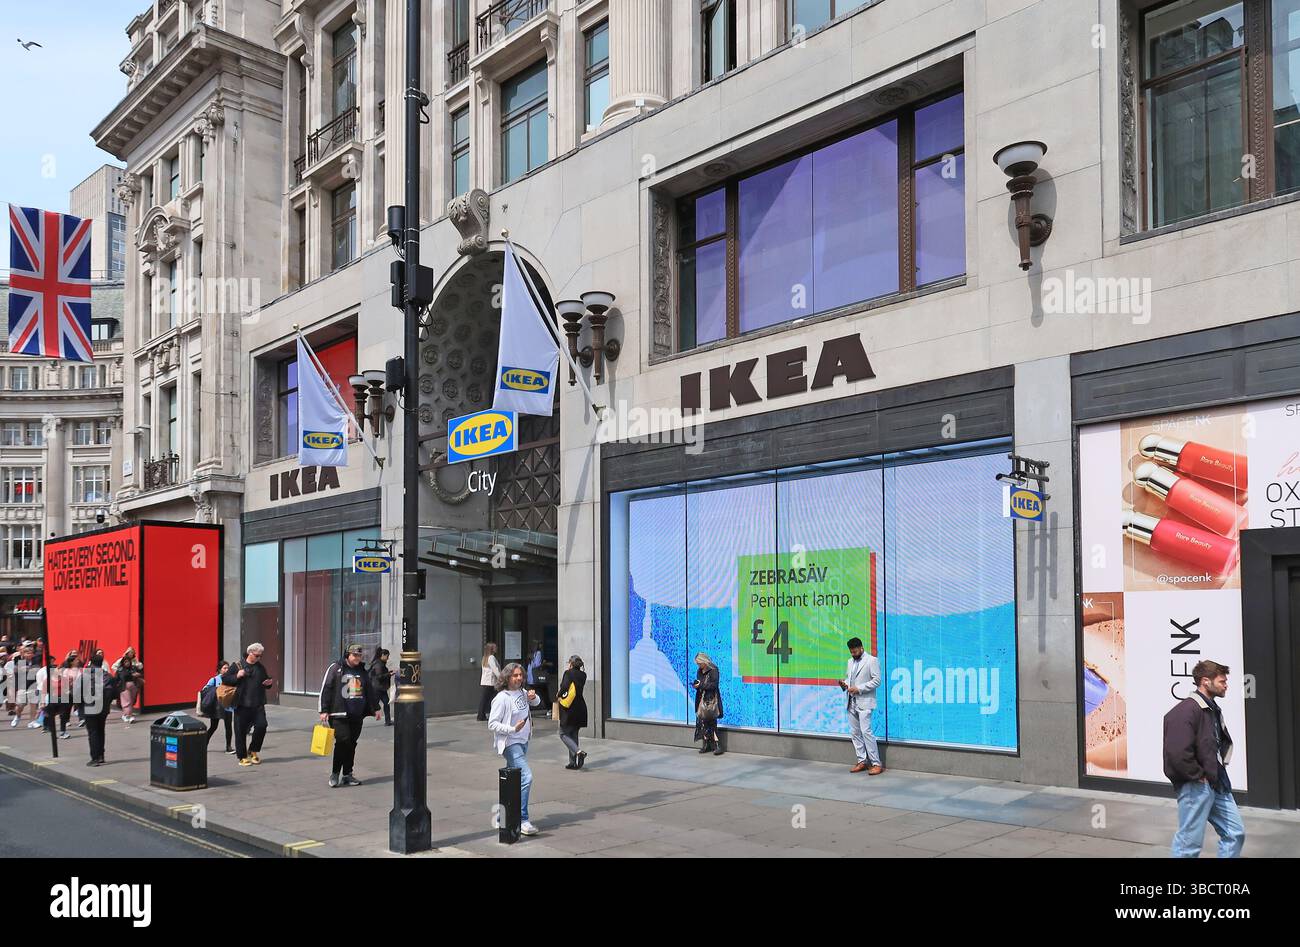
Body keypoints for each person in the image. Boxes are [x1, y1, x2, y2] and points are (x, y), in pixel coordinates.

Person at [1164, 660, 1245, 858]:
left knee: (1235, 833)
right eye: (1222, 681)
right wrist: (1197, 776)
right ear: (1205, 682)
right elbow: (1177, 753)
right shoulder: (1185, 711)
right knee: (1188, 844)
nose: (1226, 685)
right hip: (1197, 786)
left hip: (1217, 784)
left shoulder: (1211, 709)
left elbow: (1217, 744)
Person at [487, 662, 542, 836]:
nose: (519, 678)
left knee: (513, 782)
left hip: (523, 741)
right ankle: (523, 819)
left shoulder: (522, 693)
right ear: (507, 677)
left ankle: (500, 818)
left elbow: (536, 702)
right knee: (527, 776)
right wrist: (512, 729)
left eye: (521, 675)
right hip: (511, 744)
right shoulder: (502, 698)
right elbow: (492, 724)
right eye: (515, 675)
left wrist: (533, 697)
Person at [319, 644, 382, 787]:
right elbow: (326, 688)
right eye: (355, 655)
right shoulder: (336, 668)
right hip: (339, 713)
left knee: (352, 744)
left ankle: (347, 774)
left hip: (357, 714)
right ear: (347, 655)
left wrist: (376, 708)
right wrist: (323, 710)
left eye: (359, 655)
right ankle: (335, 773)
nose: (358, 658)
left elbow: (369, 691)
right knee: (343, 741)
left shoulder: (362, 670)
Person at [222, 643, 274, 767]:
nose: (259, 658)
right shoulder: (237, 665)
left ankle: (253, 750)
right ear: (250, 653)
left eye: (260, 656)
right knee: (240, 731)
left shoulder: (260, 667)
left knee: (262, 726)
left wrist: (268, 683)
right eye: (257, 655)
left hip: (258, 704)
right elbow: (225, 679)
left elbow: (266, 680)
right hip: (241, 704)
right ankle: (242, 756)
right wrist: (237, 676)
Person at [841, 637, 883, 774]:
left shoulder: (872, 660)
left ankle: (876, 763)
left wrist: (859, 688)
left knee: (866, 731)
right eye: (851, 652)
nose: (853, 654)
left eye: (855, 651)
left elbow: (877, 681)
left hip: (865, 701)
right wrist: (844, 684)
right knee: (855, 732)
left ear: (861, 647)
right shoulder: (849, 662)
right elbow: (850, 678)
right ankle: (862, 761)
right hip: (851, 701)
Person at [79, 650, 115, 766]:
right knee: (101, 731)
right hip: (103, 708)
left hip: (90, 707)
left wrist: (80, 707)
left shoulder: (85, 675)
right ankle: (101, 756)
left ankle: (94, 758)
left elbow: (77, 693)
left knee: (93, 732)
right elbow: (113, 693)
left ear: (91, 662)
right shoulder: (108, 676)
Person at [556, 655, 588, 770]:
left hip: (569, 707)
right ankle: (572, 762)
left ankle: (579, 752)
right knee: (574, 734)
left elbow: (564, 687)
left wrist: (558, 695)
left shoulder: (568, 673)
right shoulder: (583, 675)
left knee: (563, 733)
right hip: (580, 707)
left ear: (571, 663)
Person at [691, 653, 724, 755]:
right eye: (697, 664)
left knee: (712, 722)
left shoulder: (714, 669)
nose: (699, 666)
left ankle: (717, 745)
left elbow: (714, 685)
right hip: (701, 698)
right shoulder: (699, 671)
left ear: (704, 661)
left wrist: (701, 685)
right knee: (703, 721)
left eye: (700, 663)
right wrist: (696, 685)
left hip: (711, 699)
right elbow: (700, 682)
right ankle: (706, 744)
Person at [43, 650, 78, 739]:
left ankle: (63, 732)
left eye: (59, 669)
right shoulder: (48, 680)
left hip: (63, 699)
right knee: (50, 715)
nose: (59, 671)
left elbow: (67, 689)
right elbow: (43, 691)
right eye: (56, 670)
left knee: (63, 716)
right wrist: (42, 701)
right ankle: (47, 727)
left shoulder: (64, 679)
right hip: (52, 699)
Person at [202, 660, 234, 753]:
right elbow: (205, 689)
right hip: (216, 707)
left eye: (228, 668)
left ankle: (228, 747)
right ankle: (204, 744)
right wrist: (217, 689)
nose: (226, 669)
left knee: (228, 727)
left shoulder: (231, 678)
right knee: (213, 727)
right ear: (220, 669)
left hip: (228, 706)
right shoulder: (214, 679)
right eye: (224, 668)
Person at [9, 643, 39, 728]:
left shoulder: (36, 661)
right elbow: (16, 671)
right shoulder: (19, 661)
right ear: (23, 654)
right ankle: (17, 716)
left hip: (33, 686)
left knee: (33, 704)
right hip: (22, 687)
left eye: (31, 653)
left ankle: (32, 721)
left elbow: (37, 670)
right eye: (27, 653)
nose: (29, 654)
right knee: (20, 706)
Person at [111, 647, 144, 725]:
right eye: (130, 652)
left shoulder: (134, 664)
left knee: (132, 700)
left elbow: (140, 668)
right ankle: (128, 715)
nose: (131, 654)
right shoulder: (121, 667)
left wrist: (138, 674)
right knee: (127, 701)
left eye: (132, 653)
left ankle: (126, 714)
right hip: (124, 686)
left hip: (134, 685)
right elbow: (116, 669)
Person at [369, 647, 393, 727]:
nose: (388, 658)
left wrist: (389, 673)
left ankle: (388, 721)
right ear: (383, 655)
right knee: (373, 705)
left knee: (386, 703)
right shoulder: (378, 664)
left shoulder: (380, 663)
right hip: (377, 688)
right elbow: (379, 676)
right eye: (387, 656)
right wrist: (389, 674)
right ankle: (359, 717)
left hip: (381, 688)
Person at [477, 643, 501, 721]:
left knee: (485, 699)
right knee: (493, 698)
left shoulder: (485, 657)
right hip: (490, 682)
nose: (496, 648)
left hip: (485, 682)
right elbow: (495, 669)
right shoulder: (491, 657)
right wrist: (501, 678)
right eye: (495, 647)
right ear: (491, 649)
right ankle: (482, 715)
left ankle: (481, 715)